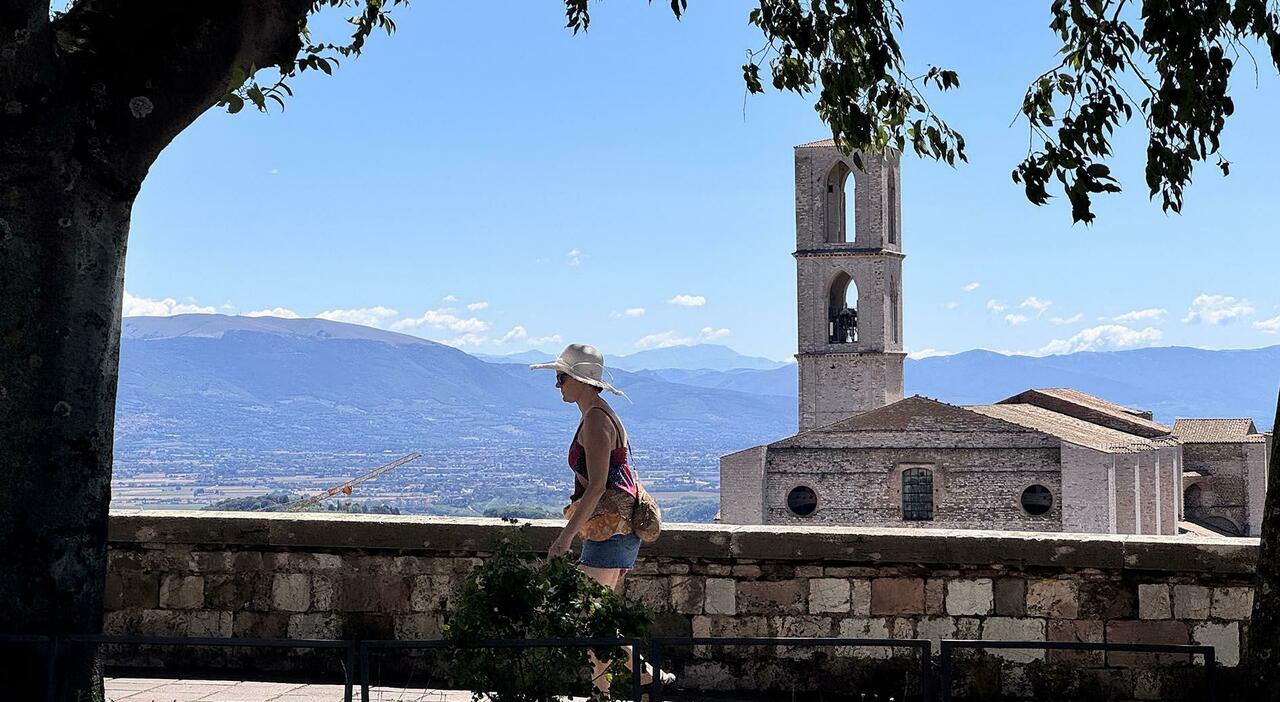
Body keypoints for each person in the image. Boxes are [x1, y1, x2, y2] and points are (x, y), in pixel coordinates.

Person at [531, 343, 673, 695]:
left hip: (612, 533)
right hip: (614, 533)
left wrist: (564, 538)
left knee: (586, 614)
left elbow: (595, 487)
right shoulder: (599, 414)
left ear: (579, 380)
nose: (557, 385)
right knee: (593, 617)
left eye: (561, 377)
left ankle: (644, 673)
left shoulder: (595, 420)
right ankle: (604, 690)